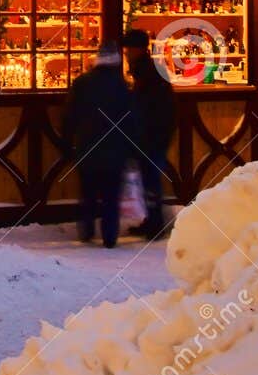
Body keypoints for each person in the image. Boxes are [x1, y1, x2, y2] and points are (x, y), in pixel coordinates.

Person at [65, 40, 134, 248]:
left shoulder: (82, 83)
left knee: (88, 191)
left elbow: (70, 116)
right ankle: (109, 236)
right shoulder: (122, 87)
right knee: (111, 195)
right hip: (115, 149)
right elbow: (132, 119)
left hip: (88, 146)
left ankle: (86, 230)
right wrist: (133, 146)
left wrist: (67, 141)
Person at [121, 29, 176, 238]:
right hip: (153, 133)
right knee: (148, 178)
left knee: (150, 178)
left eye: (128, 49)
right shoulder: (148, 69)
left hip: (152, 135)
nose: (125, 53)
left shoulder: (147, 72)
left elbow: (149, 107)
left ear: (137, 49)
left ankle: (155, 223)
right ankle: (153, 220)